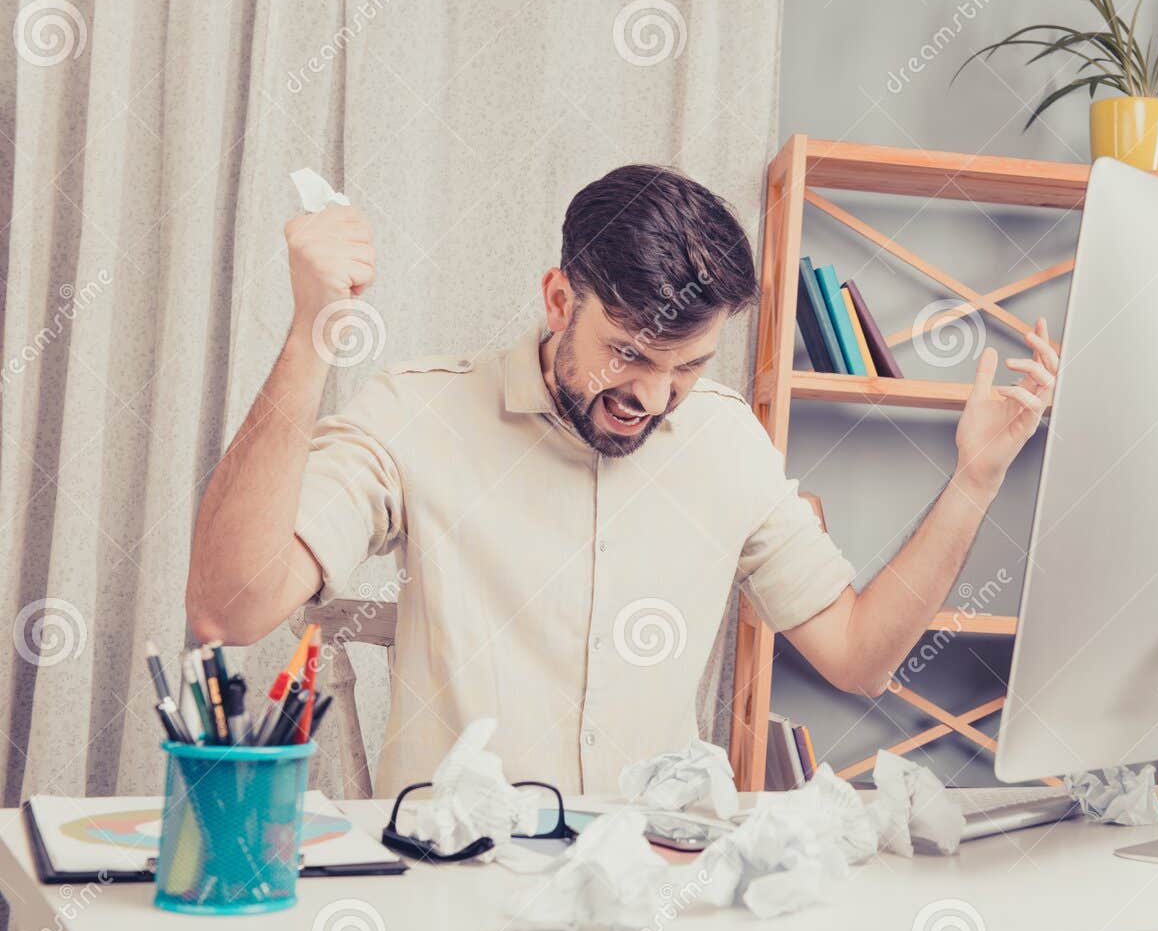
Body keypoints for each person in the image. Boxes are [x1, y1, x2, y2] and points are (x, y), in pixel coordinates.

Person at [185, 164, 1057, 794]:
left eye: (686, 366)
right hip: (452, 903)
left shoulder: (723, 438)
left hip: (649, 901)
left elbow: (861, 658)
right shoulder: (419, 414)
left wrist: (975, 480)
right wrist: (311, 332)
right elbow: (229, 607)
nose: (650, 395)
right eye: (628, 353)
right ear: (561, 300)